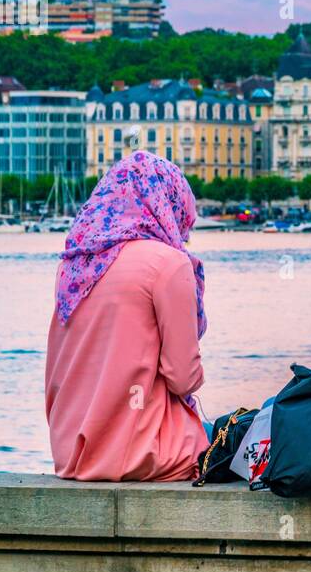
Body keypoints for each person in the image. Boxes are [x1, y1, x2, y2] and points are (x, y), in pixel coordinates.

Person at [45, 150, 210, 481]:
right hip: (143, 452)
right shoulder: (169, 264)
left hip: (70, 454)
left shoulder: (74, 264)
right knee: (238, 439)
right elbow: (183, 377)